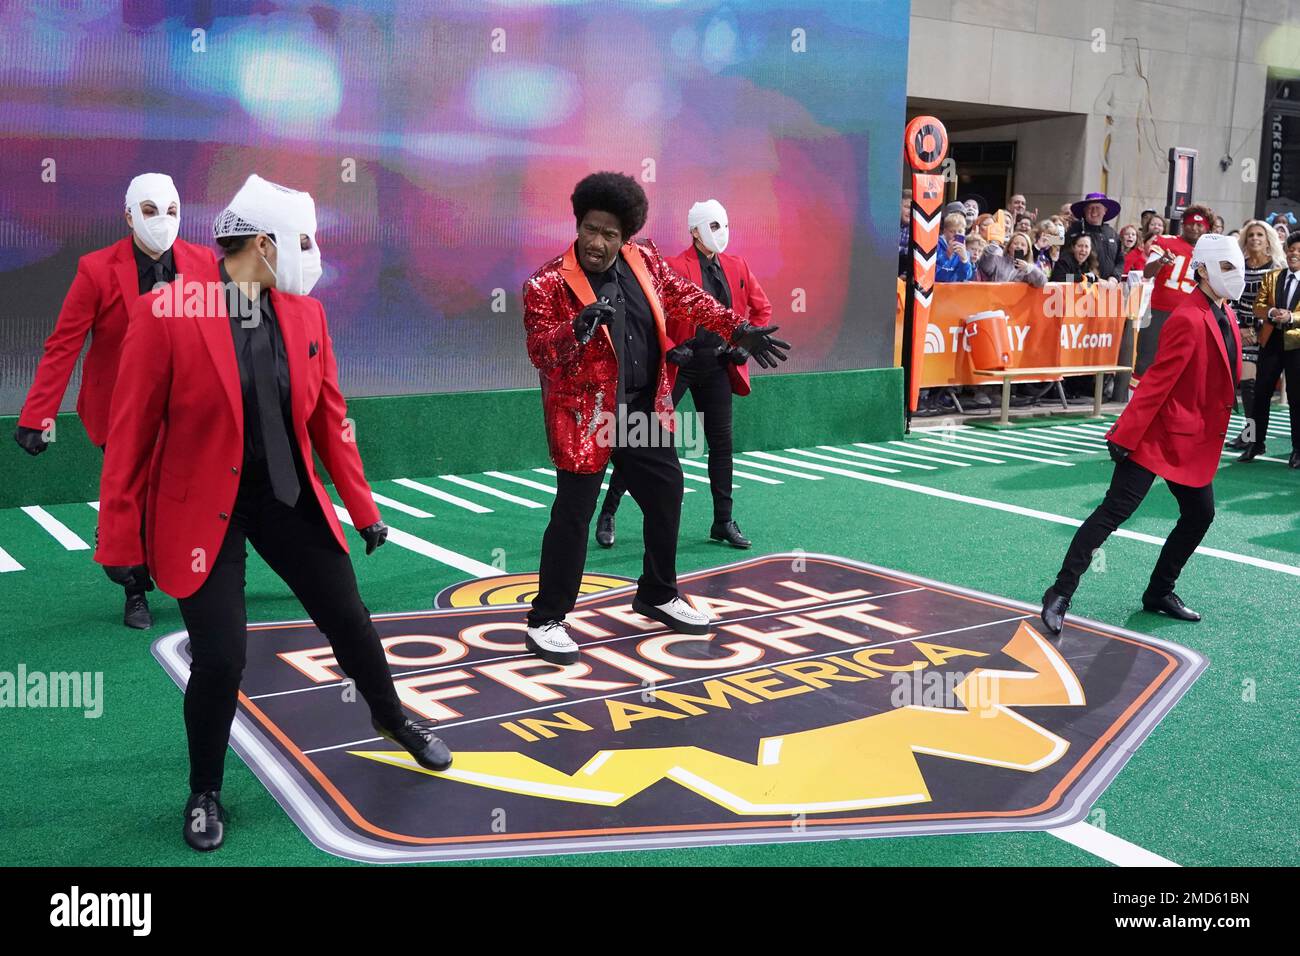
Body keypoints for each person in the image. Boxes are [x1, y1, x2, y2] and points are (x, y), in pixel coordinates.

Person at [93, 174, 452, 851]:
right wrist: (120, 541)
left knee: (349, 618)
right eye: (304, 241)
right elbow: (130, 432)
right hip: (203, 508)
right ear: (263, 244)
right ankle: (205, 789)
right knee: (222, 658)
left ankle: (391, 716)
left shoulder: (305, 315)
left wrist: (362, 509)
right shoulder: (166, 312)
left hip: (286, 496)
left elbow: (330, 421)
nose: (312, 254)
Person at [521, 172, 789, 666]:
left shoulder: (643, 261)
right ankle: (546, 619)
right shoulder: (546, 284)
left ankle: (656, 592)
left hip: (641, 408)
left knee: (665, 493)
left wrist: (739, 328)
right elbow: (540, 350)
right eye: (591, 230)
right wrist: (572, 330)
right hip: (586, 417)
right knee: (573, 516)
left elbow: (687, 297)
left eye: (610, 234)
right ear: (577, 225)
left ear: (625, 236)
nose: (598, 243)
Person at [14, 173, 216, 630]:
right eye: (148, 211)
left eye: (170, 210)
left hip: (184, 407)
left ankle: (201, 575)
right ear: (128, 215)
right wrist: (37, 414)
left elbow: (221, 336)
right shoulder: (96, 270)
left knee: (190, 494)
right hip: (120, 407)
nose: (161, 221)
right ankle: (134, 588)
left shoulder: (204, 263)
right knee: (132, 495)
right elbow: (64, 344)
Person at [1040, 233, 1244, 635]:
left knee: (1200, 514)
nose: (1235, 276)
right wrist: (1124, 435)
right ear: (1201, 270)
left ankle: (1159, 592)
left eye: (1236, 268)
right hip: (1153, 436)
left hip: (1186, 437)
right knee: (1113, 513)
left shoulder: (1226, 312)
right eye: (1226, 267)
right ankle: (1059, 593)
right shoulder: (1188, 317)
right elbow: (1157, 382)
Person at [597, 199, 770, 550]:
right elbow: (650, 313)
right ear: (694, 230)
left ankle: (723, 520)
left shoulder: (737, 266)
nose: (722, 233)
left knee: (722, 445)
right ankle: (608, 512)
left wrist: (746, 344)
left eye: (724, 225)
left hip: (720, 365)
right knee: (642, 440)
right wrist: (671, 345)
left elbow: (761, 309)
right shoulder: (673, 266)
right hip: (680, 365)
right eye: (713, 226)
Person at [1238, 230, 1300, 468]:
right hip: (1271, 341)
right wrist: (1273, 313)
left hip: (1297, 345)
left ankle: (1298, 449)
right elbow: (1258, 305)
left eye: (1299, 251)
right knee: (1259, 395)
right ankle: (1255, 442)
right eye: (1292, 249)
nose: (1294, 254)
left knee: (1297, 398)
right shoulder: (1274, 276)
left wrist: (1292, 317)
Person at [1226, 221, 1285, 451]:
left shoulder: (1277, 268)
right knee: (1248, 384)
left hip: (1269, 333)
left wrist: (1259, 328)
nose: (1255, 238)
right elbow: (1233, 301)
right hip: (1244, 333)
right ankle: (1250, 434)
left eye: (1260, 234)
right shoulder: (1239, 266)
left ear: (1268, 239)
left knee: (1261, 387)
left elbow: (1278, 303)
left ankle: (1255, 436)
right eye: (1250, 235)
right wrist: (1241, 327)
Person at [1139, 205, 1213, 379]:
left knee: (1186, 364)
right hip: (1159, 311)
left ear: (1207, 227)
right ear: (1182, 224)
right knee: (1146, 360)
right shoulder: (1165, 241)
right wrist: (1161, 262)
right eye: (1190, 224)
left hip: (1192, 315)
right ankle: (1137, 403)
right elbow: (1147, 273)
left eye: (1199, 225)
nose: (1194, 228)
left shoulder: (1211, 251)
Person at [1065, 192, 1124, 280]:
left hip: (1108, 289)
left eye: (1097, 207)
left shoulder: (1112, 234)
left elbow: (1120, 260)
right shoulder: (1073, 230)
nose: (1094, 211)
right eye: (1090, 208)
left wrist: (1115, 277)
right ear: (1084, 211)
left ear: (1105, 210)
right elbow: (1052, 243)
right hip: (1081, 288)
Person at [976, 232, 1046, 286]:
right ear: (1009, 247)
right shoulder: (998, 259)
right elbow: (985, 268)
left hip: (1015, 303)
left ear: (1027, 250)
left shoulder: (1027, 268)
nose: (1019, 246)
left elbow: (1042, 282)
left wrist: (1029, 269)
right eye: (1015, 243)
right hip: (994, 300)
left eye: (1023, 245)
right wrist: (992, 248)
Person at [936, 213, 973, 282]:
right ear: (945, 231)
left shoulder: (965, 251)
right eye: (952, 231)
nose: (956, 234)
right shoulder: (936, 246)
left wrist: (964, 260)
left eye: (960, 231)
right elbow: (935, 275)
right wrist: (947, 256)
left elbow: (965, 276)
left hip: (954, 290)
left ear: (964, 232)